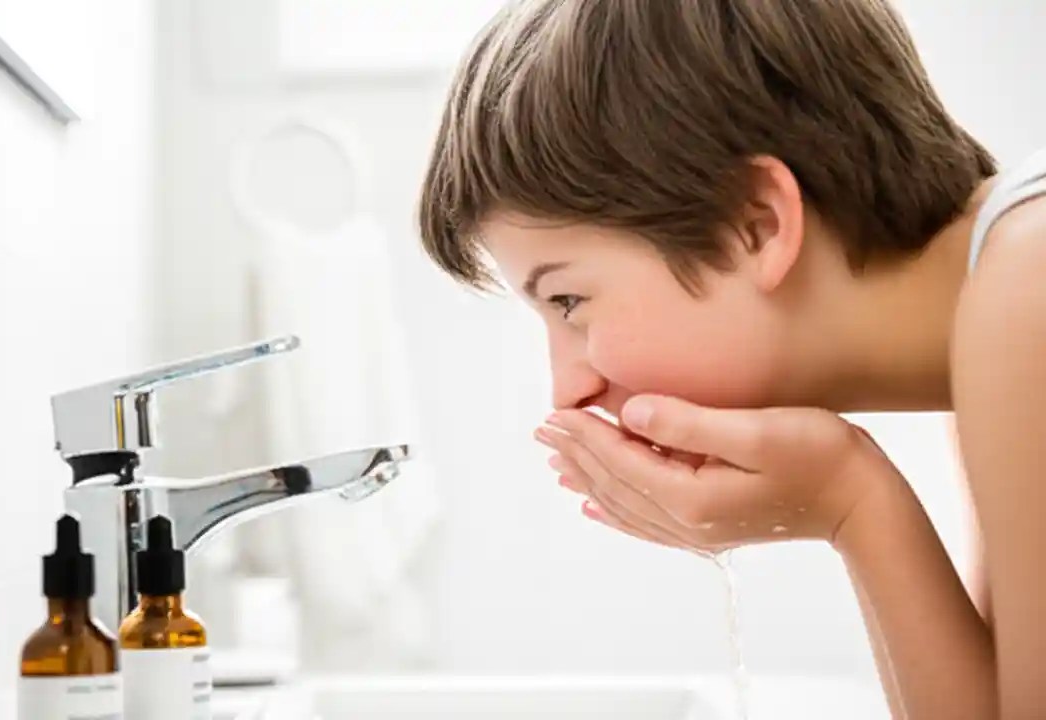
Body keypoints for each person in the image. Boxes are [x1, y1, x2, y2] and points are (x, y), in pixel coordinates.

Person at [415, 1, 1046, 717]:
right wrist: (853, 503)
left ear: (755, 225)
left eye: (568, 302)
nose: (569, 388)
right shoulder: (990, 315)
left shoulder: (1031, 290)